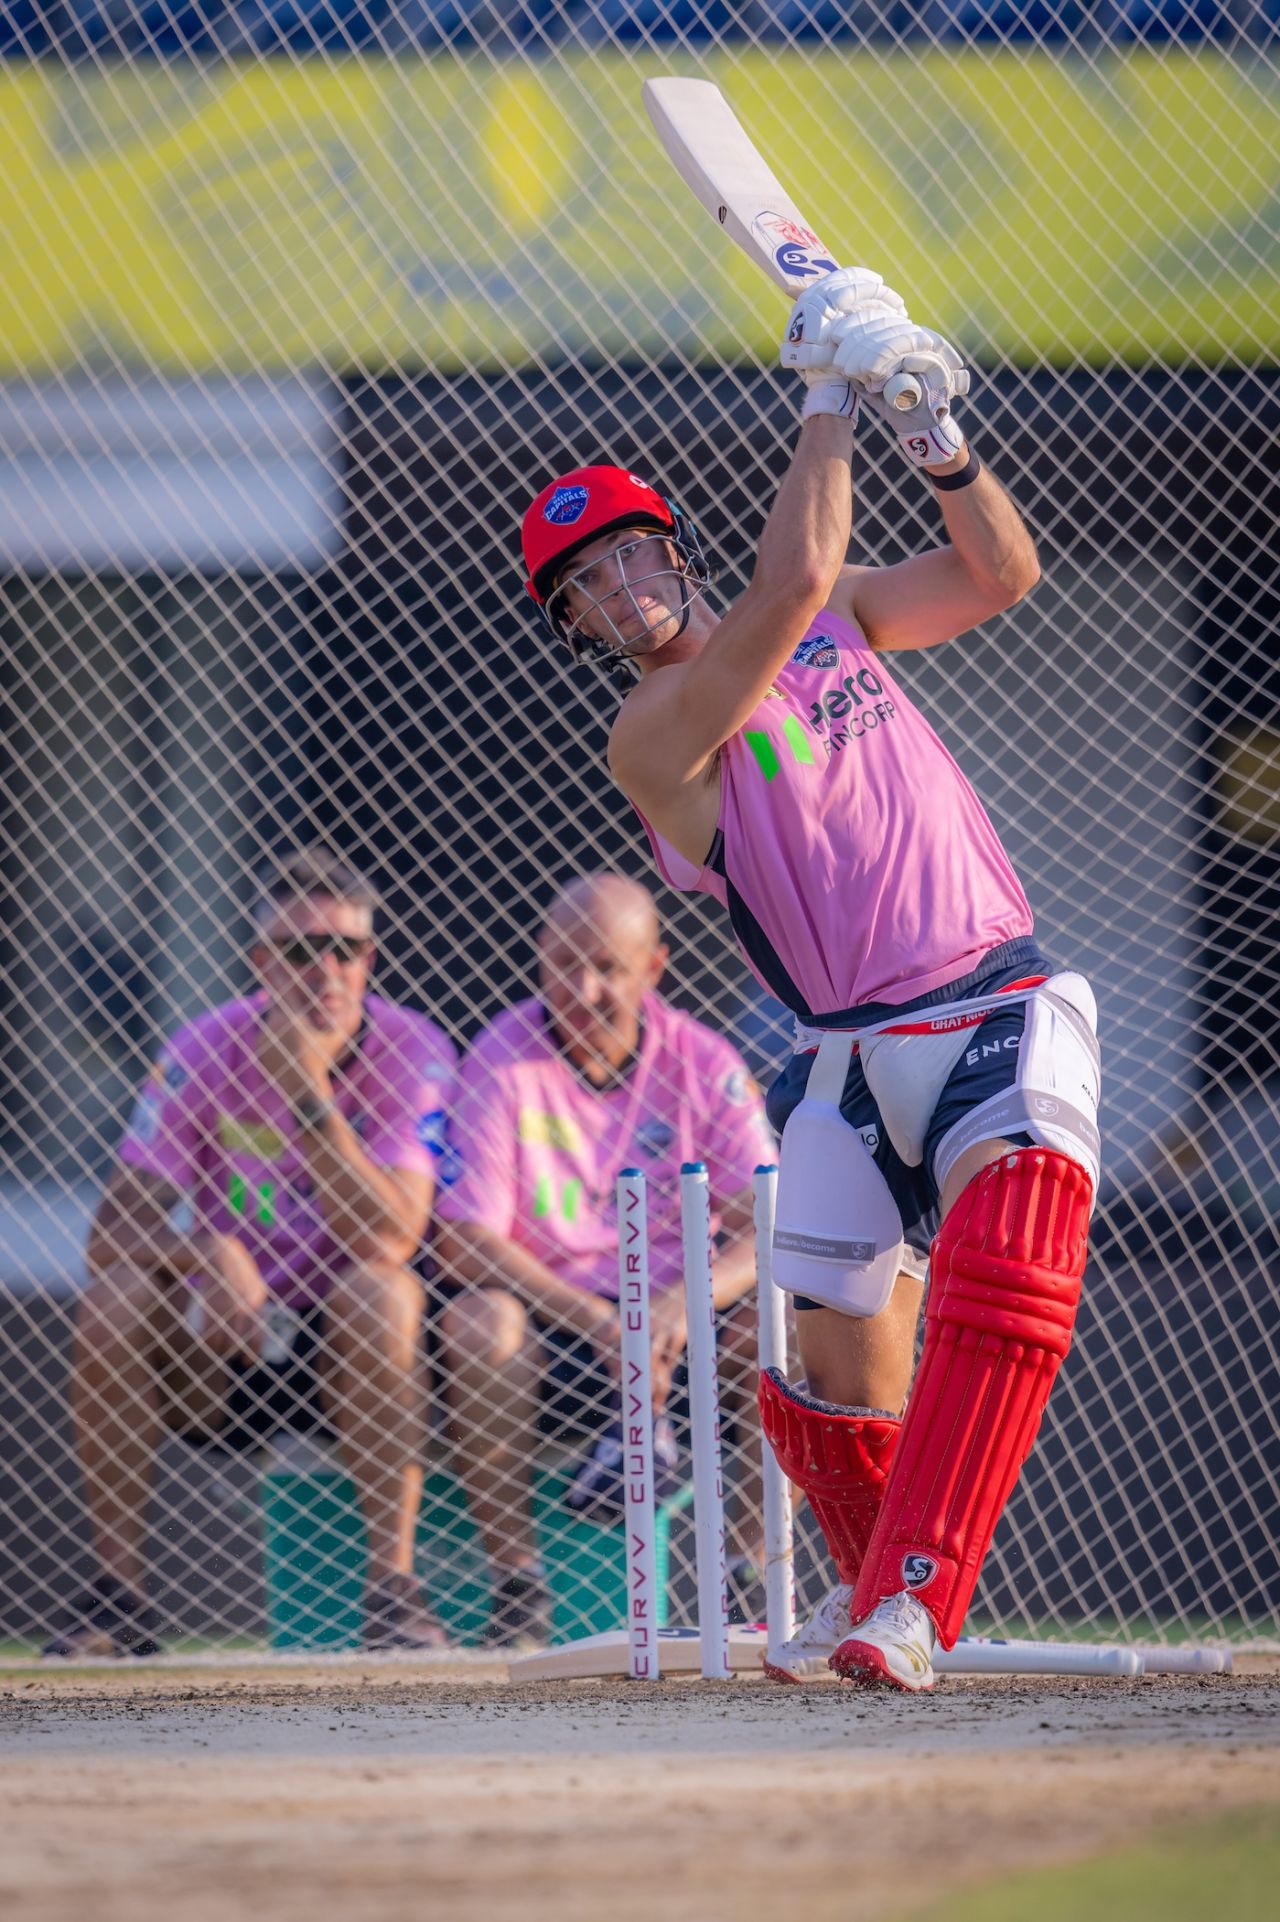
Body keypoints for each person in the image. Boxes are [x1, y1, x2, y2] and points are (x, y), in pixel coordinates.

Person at [518, 269, 1101, 1691]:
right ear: (582, 626)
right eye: (586, 588)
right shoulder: (653, 729)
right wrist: (832, 389)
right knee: (830, 1386)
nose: (618, 589)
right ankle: (878, 1594)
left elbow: (999, 576)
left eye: (627, 554)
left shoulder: (841, 613)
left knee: (1010, 1268)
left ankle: (908, 1599)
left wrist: (935, 432)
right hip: (843, 1052)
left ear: (668, 539)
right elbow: (786, 583)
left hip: (989, 992)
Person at [45, 847, 457, 1657]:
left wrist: (305, 1091)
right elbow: (109, 1236)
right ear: (263, 963)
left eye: (347, 949)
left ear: (371, 959)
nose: (327, 970)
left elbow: (395, 1234)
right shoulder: (202, 1046)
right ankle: (118, 1599)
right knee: (118, 1297)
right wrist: (207, 1251)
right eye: (302, 951)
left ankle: (394, 1595)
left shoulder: (415, 1049)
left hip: (360, 1361)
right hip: (225, 1344)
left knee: (383, 1290)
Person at [432, 872, 778, 1649]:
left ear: (653, 968)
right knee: (475, 1322)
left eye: (607, 969)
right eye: (563, 966)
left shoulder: (702, 1061)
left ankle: (743, 1582)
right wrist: (597, 1319)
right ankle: (518, 1588)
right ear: (538, 960)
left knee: (780, 1325)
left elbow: (773, 1221)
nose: (582, 991)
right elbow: (461, 1239)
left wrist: (677, 1306)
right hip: (556, 1326)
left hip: (684, 1328)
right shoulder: (501, 1055)